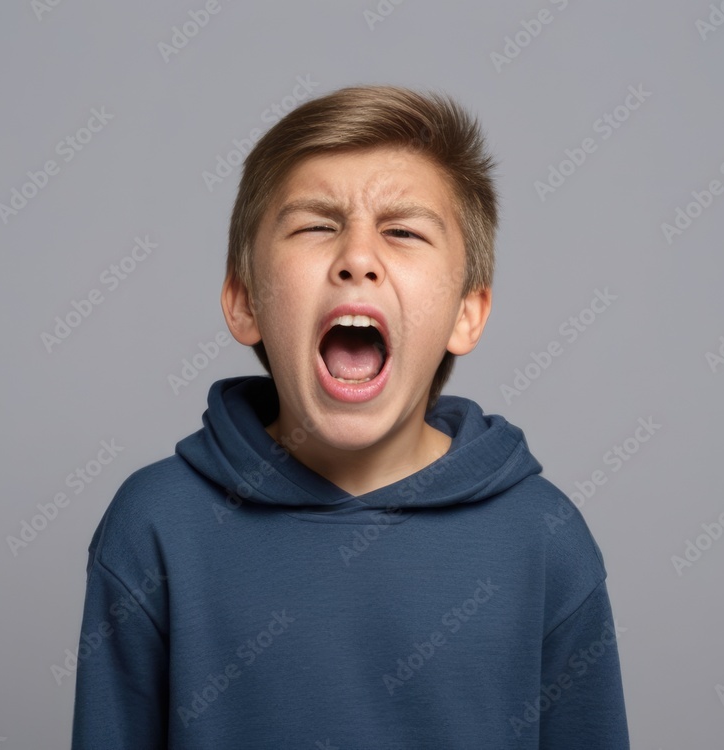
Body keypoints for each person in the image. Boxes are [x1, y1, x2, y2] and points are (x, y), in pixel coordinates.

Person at [70, 85, 629, 749]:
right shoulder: (154, 528)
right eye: (316, 226)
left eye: (403, 232)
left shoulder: (545, 540)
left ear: (465, 313)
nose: (358, 259)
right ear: (245, 300)